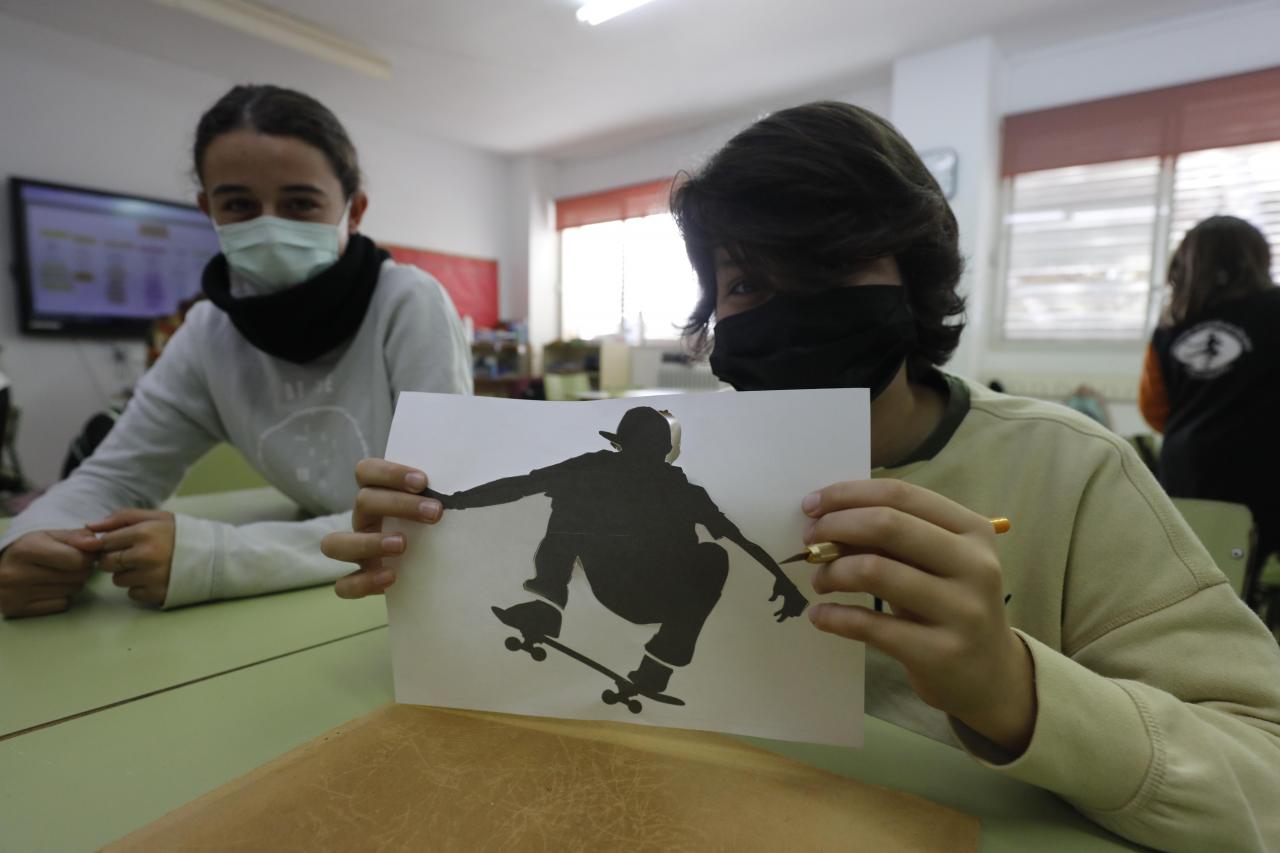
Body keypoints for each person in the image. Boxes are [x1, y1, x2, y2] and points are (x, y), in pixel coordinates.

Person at [321, 102, 1280, 851]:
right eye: (745, 283)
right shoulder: (675, 448)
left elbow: (1263, 778)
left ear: (916, 277)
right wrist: (441, 554)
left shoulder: (1068, 470)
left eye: (828, 264)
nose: (783, 307)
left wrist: (1019, 690)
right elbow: (534, 516)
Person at [0, 84, 472, 619]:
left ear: (354, 210)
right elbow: (115, 477)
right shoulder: (207, 332)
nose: (269, 225)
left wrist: (221, 559)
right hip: (314, 589)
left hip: (402, 605)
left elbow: (440, 510)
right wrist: (29, 538)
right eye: (239, 205)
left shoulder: (407, 302)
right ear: (208, 210)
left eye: (300, 203)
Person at [432, 405, 807, 695]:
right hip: (661, 597)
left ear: (619, 443)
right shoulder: (685, 492)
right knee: (713, 555)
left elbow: (522, 485)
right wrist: (783, 580)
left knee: (578, 501)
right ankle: (657, 664)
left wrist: (454, 501)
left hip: (619, 589)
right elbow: (740, 541)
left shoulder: (596, 469)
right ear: (664, 451)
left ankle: (548, 605)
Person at [1139, 215, 1280, 601]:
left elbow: (1153, 409)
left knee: (1189, 583)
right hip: (1264, 478)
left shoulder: (1170, 326)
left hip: (1183, 477)